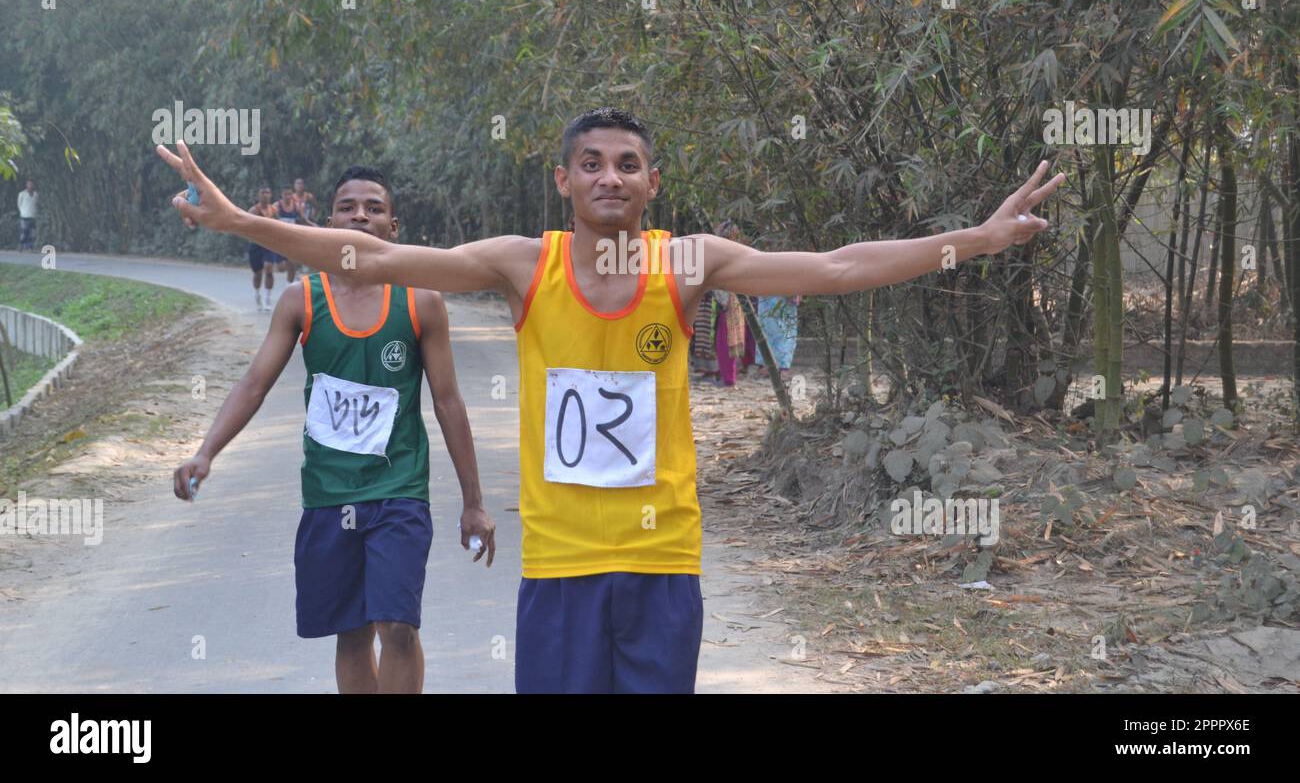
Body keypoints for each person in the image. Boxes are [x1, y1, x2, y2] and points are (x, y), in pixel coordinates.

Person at [159, 107, 1063, 693]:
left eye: (629, 164)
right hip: (558, 566)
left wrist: (978, 240)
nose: (610, 177)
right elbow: (377, 257)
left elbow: (834, 268)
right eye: (590, 163)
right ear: (564, 181)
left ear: (652, 184)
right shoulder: (526, 265)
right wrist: (239, 221)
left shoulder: (686, 262)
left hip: (662, 558)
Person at [171, 166, 496, 694]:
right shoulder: (301, 300)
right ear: (326, 225)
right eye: (347, 207)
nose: (360, 216)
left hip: (399, 492)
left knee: (398, 627)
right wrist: (206, 452)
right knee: (352, 632)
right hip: (329, 495)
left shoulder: (421, 302)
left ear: (394, 227)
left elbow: (448, 402)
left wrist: (474, 502)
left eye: (374, 208)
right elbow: (254, 384)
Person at [711, 221, 756, 386]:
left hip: (731, 298)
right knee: (730, 338)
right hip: (733, 298)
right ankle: (728, 375)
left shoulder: (726, 252)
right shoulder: (735, 251)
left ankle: (729, 377)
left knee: (727, 339)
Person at [247, 187, 282, 311]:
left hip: (269, 244)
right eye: (262, 192)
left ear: (271, 195)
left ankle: (267, 299)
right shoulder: (253, 210)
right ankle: (257, 295)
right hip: (255, 244)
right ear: (258, 195)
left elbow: (279, 225)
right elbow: (247, 226)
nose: (265, 195)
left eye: (267, 192)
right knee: (257, 274)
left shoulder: (274, 210)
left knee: (269, 269)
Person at [754, 295, 800, 379]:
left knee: (770, 329)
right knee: (783, 331)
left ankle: (769, 367)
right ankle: (780, 368)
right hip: (772, 295)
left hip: (769, 294)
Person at [273, 185, 312, 280]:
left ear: (292, 194)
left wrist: (313, 225)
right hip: (279, 240)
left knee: (292, 263)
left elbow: (303, 219)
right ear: (282, 195)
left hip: (291, 239)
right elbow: (269, 218)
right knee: (281, 268)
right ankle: (293, 269)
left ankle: (291, 280)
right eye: (285, 194)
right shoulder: (276, 206)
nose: (288, 196)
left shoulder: (296, 206)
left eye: (289, 194)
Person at [16, 179, 37, 252]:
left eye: (31, 184)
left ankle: (30, 247)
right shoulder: (22, 194)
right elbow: (19, 204)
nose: (30, 185)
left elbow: (36, 204)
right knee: (24, 232)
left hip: (33, 216)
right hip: (24, 216)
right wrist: (22, 211)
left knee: (32, 233)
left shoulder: (36, 194)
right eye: (29, 184)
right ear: (26, 185)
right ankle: (21, 246)